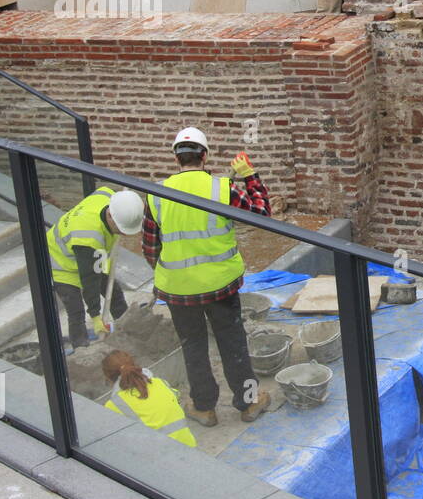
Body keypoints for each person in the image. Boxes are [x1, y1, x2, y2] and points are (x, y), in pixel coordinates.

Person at [143, 127, 271, 426]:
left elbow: (150, 247)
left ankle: (203, 408)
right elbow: (262, 213)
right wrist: (250, 175)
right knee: (232, 341)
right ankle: (249, 403)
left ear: (176, 159)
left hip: (177, 289)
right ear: (205, 155)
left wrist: (172, 273)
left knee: (193, 345)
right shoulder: (222, 187)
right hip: (220, 286)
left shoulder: (156, 195)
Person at [47, 186, 144, 353]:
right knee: (75, 310)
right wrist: (96, 316)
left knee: (113, 292)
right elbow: (90, 280)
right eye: (122, 229)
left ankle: (127, 328)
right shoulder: (88, 237)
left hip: (90, 255)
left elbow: (97, 272)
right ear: (111, 217)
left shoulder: (109, 196)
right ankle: (81, 350)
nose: (124, 234)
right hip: (61, 263)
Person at [103, 351, 197, 447]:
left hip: (157, 457)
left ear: (108, 378)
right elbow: (175, 398)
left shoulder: (113, 405)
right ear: (134, 365)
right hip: (189, 446)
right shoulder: (159, 383)